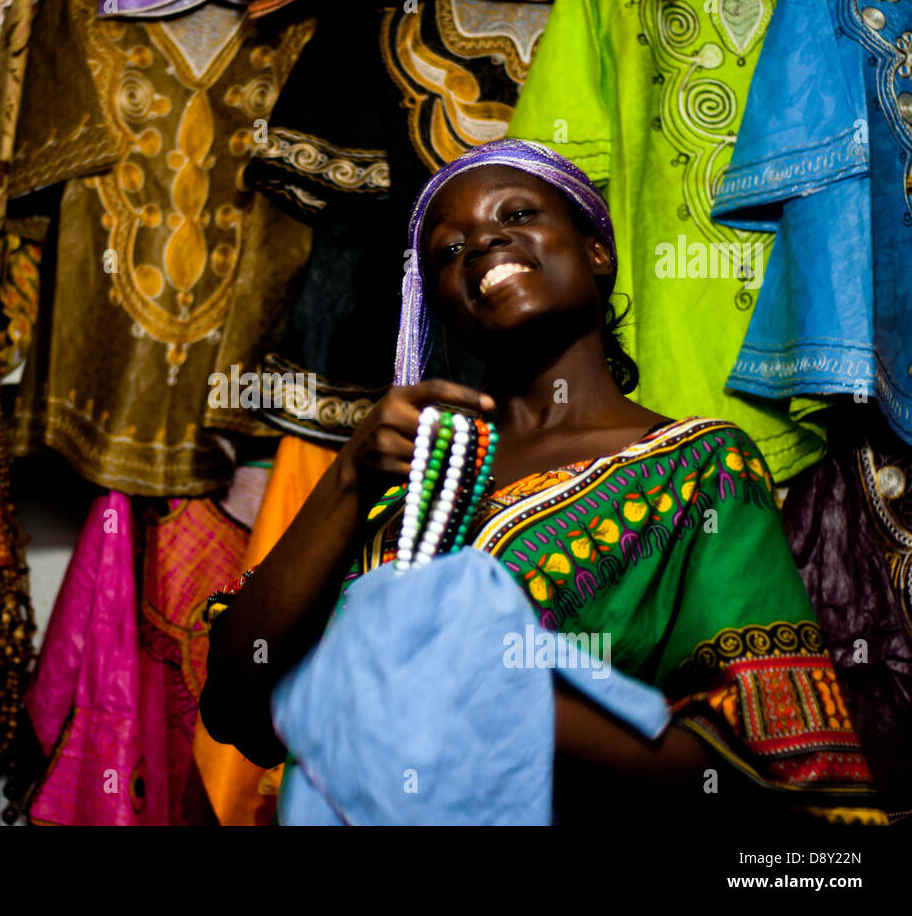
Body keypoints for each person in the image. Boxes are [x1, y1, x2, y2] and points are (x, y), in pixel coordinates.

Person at [198, 139, 884, 824]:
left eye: (518, 213)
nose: (484, 239)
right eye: (448, 249)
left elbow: (769, 770)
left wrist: (506, 691)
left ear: (596, 252)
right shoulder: (403, 490)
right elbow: (235, 699)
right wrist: (347, 477)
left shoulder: (699, 467)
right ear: (438, 303)